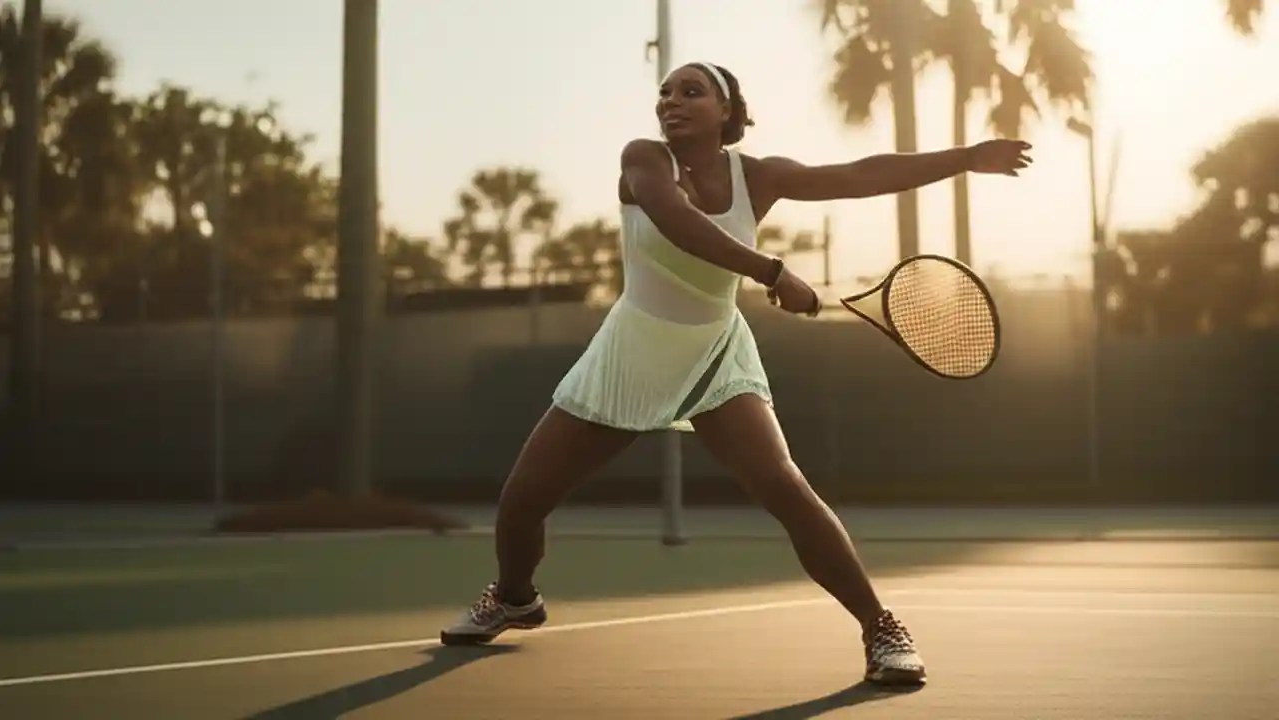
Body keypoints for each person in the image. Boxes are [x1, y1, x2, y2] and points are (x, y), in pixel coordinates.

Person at [440, 61, 1033, 687]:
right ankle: (515, 597)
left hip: (715, 354)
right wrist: (773, 272)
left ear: (727, 111)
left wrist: (966, 156)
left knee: (785, 487)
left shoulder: (760, 177)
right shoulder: (644, 159)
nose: (672, 101)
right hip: (631, 351)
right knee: (522, 503)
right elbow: (677, 222)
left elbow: (859, 175)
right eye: (665, 93)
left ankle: (881, 627)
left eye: (691, 91)